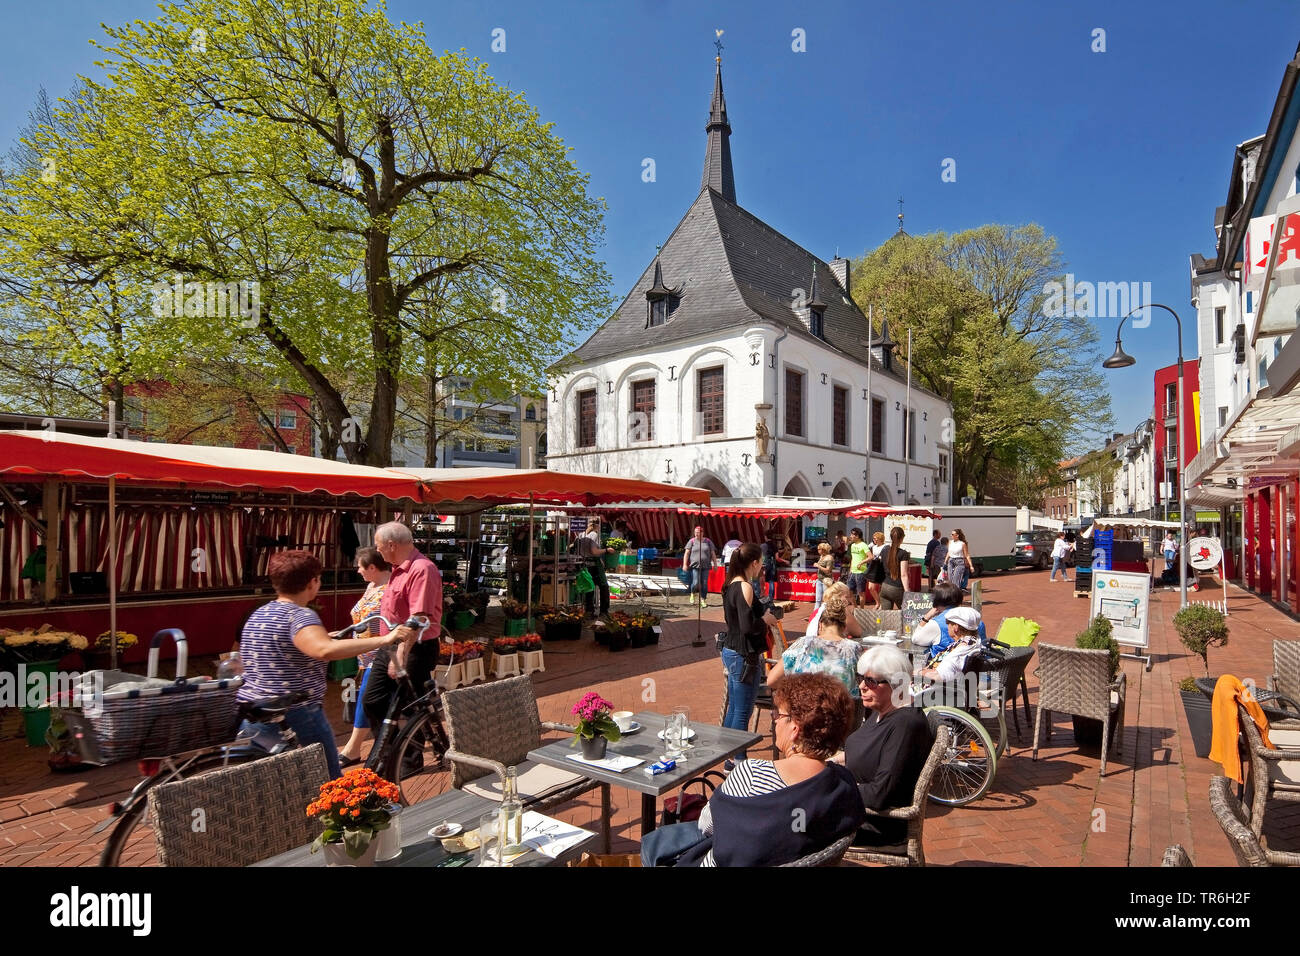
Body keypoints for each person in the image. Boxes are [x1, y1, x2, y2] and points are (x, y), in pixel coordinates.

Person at [641, 673, 866, 866]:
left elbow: (706, 826)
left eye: (780, 715)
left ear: (795, 728)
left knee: (654, 846)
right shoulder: (844, 784)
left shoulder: (751, 775)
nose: (775, 720)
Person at [238, 550, 402, 779]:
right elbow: (324, 650)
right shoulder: (300, 616)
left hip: (253, 712)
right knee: (328, 781)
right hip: (296, 713)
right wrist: (385, 639)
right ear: (312, 582)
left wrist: (324, 637)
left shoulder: (259, 614)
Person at [840, 645, 934, 848]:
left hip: (874, 824)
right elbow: (866, 750)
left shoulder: (905, 725)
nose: (862, 686)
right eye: (861, 678)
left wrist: (831, 787)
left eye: (871, 681)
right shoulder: (882, 710)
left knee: (793, 824)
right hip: (853, 809)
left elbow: (879, 795)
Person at [361, 522, 444, 738]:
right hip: (390, 643)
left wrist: (401, 653)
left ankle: (409, 759)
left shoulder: (421, 569)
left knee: (409, 704)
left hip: (413, 647)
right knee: (373, 699)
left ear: (391, 545)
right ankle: (390, 748)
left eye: (379, 546)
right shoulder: (398, 569)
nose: (377, 550)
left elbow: (418, 617)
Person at [338, 547, 390, 764]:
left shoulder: (388, 590)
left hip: (379, 654)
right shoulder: (371, 586)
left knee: (366, 699)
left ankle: (353, 748)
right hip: (364, 654)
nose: (357, 571)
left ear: (372, 567)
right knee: (368, 700)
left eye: (360, 567)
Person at [721, 543, 779, 731]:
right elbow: (747, 626)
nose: (762, 568)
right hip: (743, 654)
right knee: (742, 710)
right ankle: (737, 758)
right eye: (761, 563)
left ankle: (729, 753)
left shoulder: (731, 584)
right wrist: (765, 619)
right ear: (754, 563)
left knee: (735, 707)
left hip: (732, 650)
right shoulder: (744, 586)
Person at [767, 593, 863, 702]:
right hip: (842, 714)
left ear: (820, 625)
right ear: (844, 628)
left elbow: (772, 681)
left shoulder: (803, 644)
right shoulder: (854, 649)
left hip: (804, 712)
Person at [912, 582, 987, 654]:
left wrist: (926, 617)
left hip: (943, 664)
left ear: (936, 601)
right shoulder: (976, 621)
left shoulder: (936, 624)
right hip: (974, 665)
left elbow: (916, 639)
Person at [920, 607, 984, 683]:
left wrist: (916, 673)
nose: (947, 627)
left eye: (948, 623)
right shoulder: (974, 641)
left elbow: (939, 676)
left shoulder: (960, 651)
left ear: (955, 627)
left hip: (934, 689)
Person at [573, 518, 610, 619]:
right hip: (594, 565)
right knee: (604, 587)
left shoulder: (581, 534)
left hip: (584, 565)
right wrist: (607, 550)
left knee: (589, 587)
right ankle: (604, 611)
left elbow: (574, 547)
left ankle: (589, 611)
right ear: (596, 525)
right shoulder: (594, 535)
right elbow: (594, 552)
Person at [683, 525, 718, 608]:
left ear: (702, 533)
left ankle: (703, 599)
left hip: (706, 566)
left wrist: (715, 564)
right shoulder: (691, 541)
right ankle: (692, 593)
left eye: (698, 532)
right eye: (695, 532)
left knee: (704, 583)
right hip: (695, 566)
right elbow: (687, 553)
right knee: (695, 583)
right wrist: (685, 564)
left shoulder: (708, 542)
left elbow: (713, 554)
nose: (696, 534)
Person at [877, 526, 910, 610]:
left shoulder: (884, 550)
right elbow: (903, 575)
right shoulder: (903, 554)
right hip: (897, 588)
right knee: (906, 614)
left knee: (886, 617)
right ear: (902, 538)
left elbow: (881, 569)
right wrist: (907, 592)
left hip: (884, 587)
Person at [847, 528, 871, 607]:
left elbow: (871, 557)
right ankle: (855, 608)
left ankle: (861, 610)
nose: (850, 536)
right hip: (852, 572)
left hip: (861, 573)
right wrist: (850, 569)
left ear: (857, 536)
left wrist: (861, 562)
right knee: (849, 592)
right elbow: (853, 558)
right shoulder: (852, 545)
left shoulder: (863, 545)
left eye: (852, 534)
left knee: (861, 593)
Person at [868, 531, 888, 608]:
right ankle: (877, 602)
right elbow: (873, 557)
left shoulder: (886, 546)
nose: (874, 540)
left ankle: (881, 604)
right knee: (871, 588)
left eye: (875, 539)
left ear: (880, 539)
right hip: (874, 568)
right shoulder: (873, 547)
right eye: (873, 539)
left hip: (882, 568)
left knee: (881, 588)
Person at [814, 541, 835, 607]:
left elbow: (828, 571)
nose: (817, 551)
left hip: (826, 581)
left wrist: (818, 566)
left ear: (823, 550)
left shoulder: (829, 558)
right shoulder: (821, 556)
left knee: (826, 599)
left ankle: (827, 614)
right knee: (818, 599)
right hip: (819, 580)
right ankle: (816, 615)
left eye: (818, 549)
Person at [760, 533, 779, 601]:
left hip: (764, 565)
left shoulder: (762, 546)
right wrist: (785, 561)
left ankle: (762, 596)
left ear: (765, 537)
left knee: (762, 581)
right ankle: (771, 598)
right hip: (772, 564)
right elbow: (777, 558)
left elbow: (760, 557)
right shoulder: (774, 546)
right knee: (771, 581)